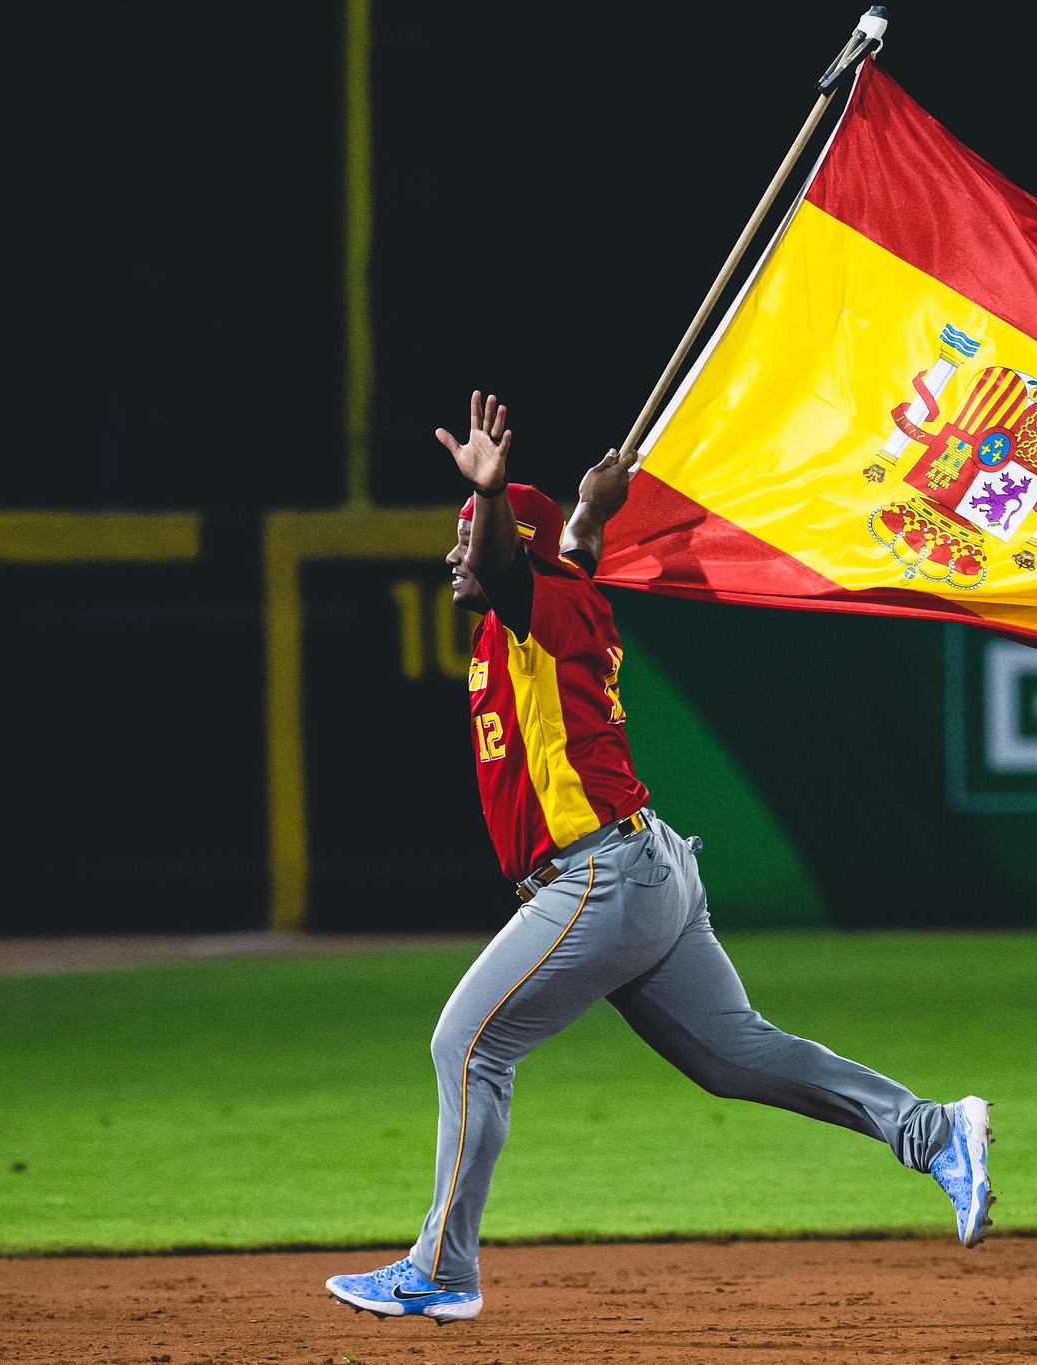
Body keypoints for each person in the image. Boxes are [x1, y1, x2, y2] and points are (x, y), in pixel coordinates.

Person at [325, 393, 993, 1324]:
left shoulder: (534, 602)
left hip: (602, 876)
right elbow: (573, 552)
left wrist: (494, 499)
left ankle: (441, 1267)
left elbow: (520, 563)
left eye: (471, 534)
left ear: (508, 545)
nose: (454, 551)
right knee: (736, 1055)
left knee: (467, 1043)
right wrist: (592, 510)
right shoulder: (557, 599)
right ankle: (932, 1130)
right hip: (652, 872)